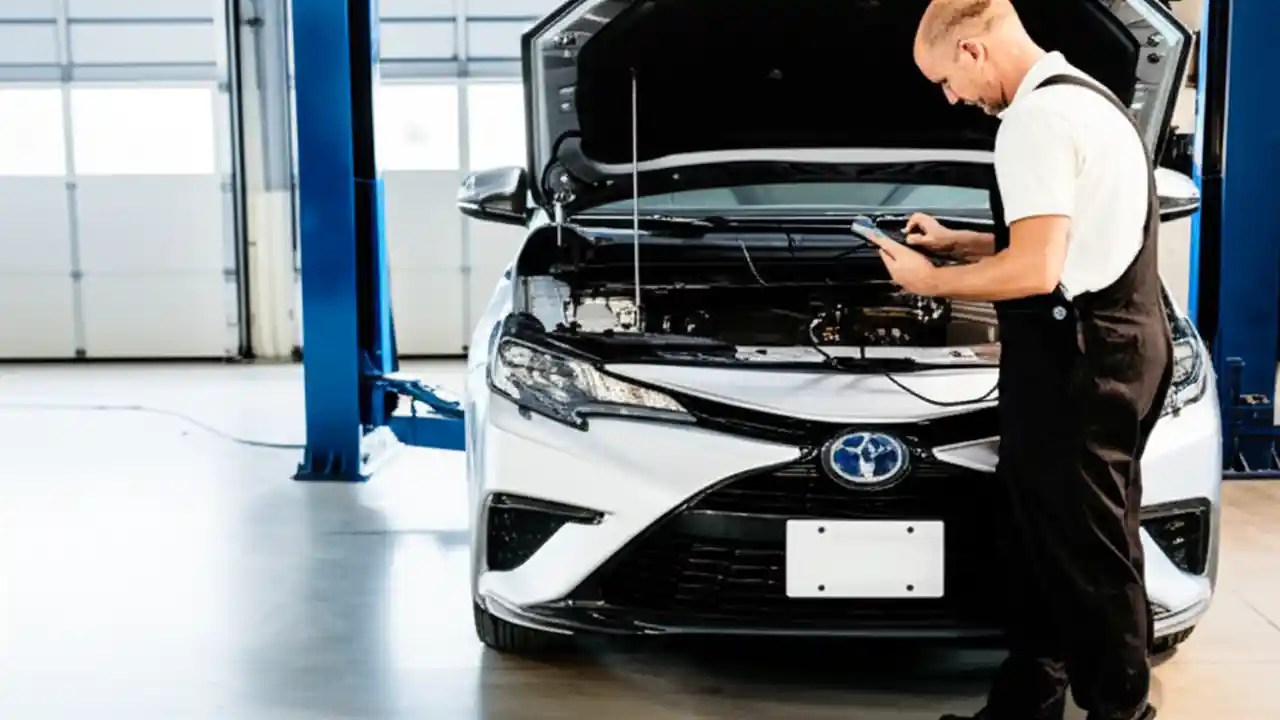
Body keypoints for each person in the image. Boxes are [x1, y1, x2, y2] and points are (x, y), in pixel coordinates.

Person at [865, 1, 1174, 719]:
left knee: (1087, 556)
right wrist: (960, 240)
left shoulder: (1033, 123)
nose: (951, 97)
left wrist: (928, 280)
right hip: (1119, 345)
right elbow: (1072, 234)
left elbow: (1037, 271)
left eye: (946, 79)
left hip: (1079, 359)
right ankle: (1025, 704)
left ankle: (1118, 711)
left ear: (972, 50)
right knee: (1053, 542)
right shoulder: (1086, 99)